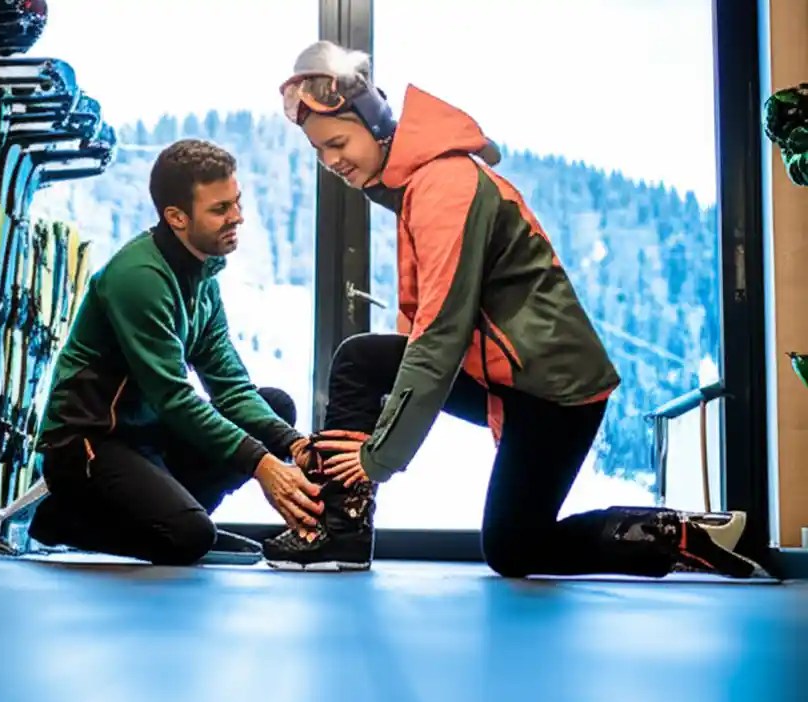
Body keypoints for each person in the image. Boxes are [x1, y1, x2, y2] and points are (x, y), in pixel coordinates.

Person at [264, 40, 771, 579]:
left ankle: (675, 535)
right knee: (363, 359)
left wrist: (378, 456)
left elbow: (439, 336)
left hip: (554, 393)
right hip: (506, 376)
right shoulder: (416, 188)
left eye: (337, 142)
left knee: (513, 547)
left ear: (375, 123)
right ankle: (339, 531)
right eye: (319, 151)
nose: (331, 161)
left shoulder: (445, 187)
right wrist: (373, 437)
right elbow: (419, 332)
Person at [27, 138, 321, 565]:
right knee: (188, 539)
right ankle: (61, 520)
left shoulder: (203, 277)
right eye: (220, 209)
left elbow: (231, 387)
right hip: (91, 444)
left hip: (150, 435)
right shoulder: (140, 276)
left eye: (236, 202)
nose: (237, 216)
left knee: (275, 407)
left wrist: (293, 446)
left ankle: (176, 518)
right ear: (177, 217)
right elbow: (174, 397)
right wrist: (263, 466)